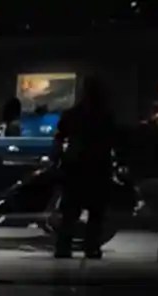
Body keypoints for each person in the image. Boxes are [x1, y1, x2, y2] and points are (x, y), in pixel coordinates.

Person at [52, 76, 117, 259]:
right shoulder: (105, 115)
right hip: (97, 167)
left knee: (71, 212)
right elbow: (112, 140)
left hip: (76, 167)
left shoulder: (72, 114)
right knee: (95, 212)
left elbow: (59, 138)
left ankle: (64, 247)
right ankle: (91, 247)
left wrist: (58, 159)